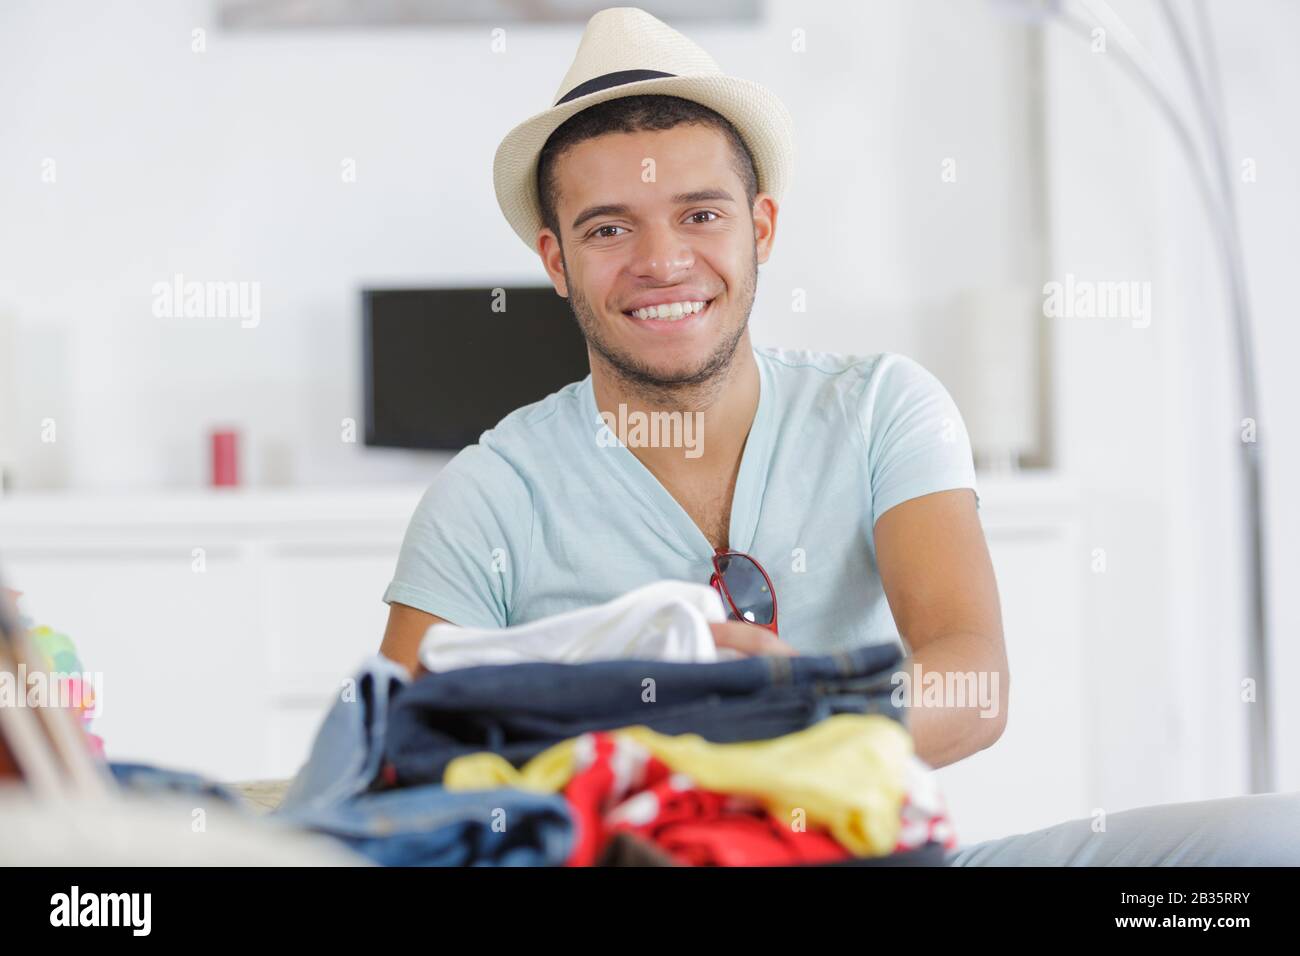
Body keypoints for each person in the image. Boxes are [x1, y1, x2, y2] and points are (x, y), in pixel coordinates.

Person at [378, 7, 1297, 866]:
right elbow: (396, 763)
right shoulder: (490, 494)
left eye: (701, 214)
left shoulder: (881, 408)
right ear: (555, 260)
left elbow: (974, 683)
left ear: (761, 227)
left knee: (1268, 840)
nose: (663, 262)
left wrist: (809, 709)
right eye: (609, 228)